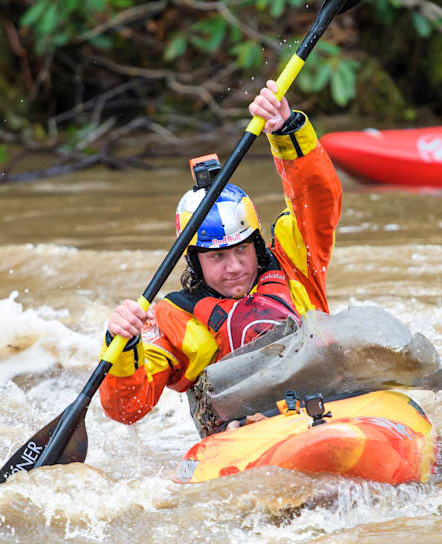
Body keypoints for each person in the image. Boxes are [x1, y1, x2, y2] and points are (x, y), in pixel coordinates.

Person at [97, 79, 342, 431]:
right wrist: (123, 345)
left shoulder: (295, 265)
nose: (235, 267)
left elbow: (318, 200)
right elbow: (128, 409)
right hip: (243, 434)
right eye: (217, 257)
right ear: (194, 261)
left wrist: (286, 130)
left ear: (256, 243)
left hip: (325, 409)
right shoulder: (174, 319)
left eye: (242, 249)